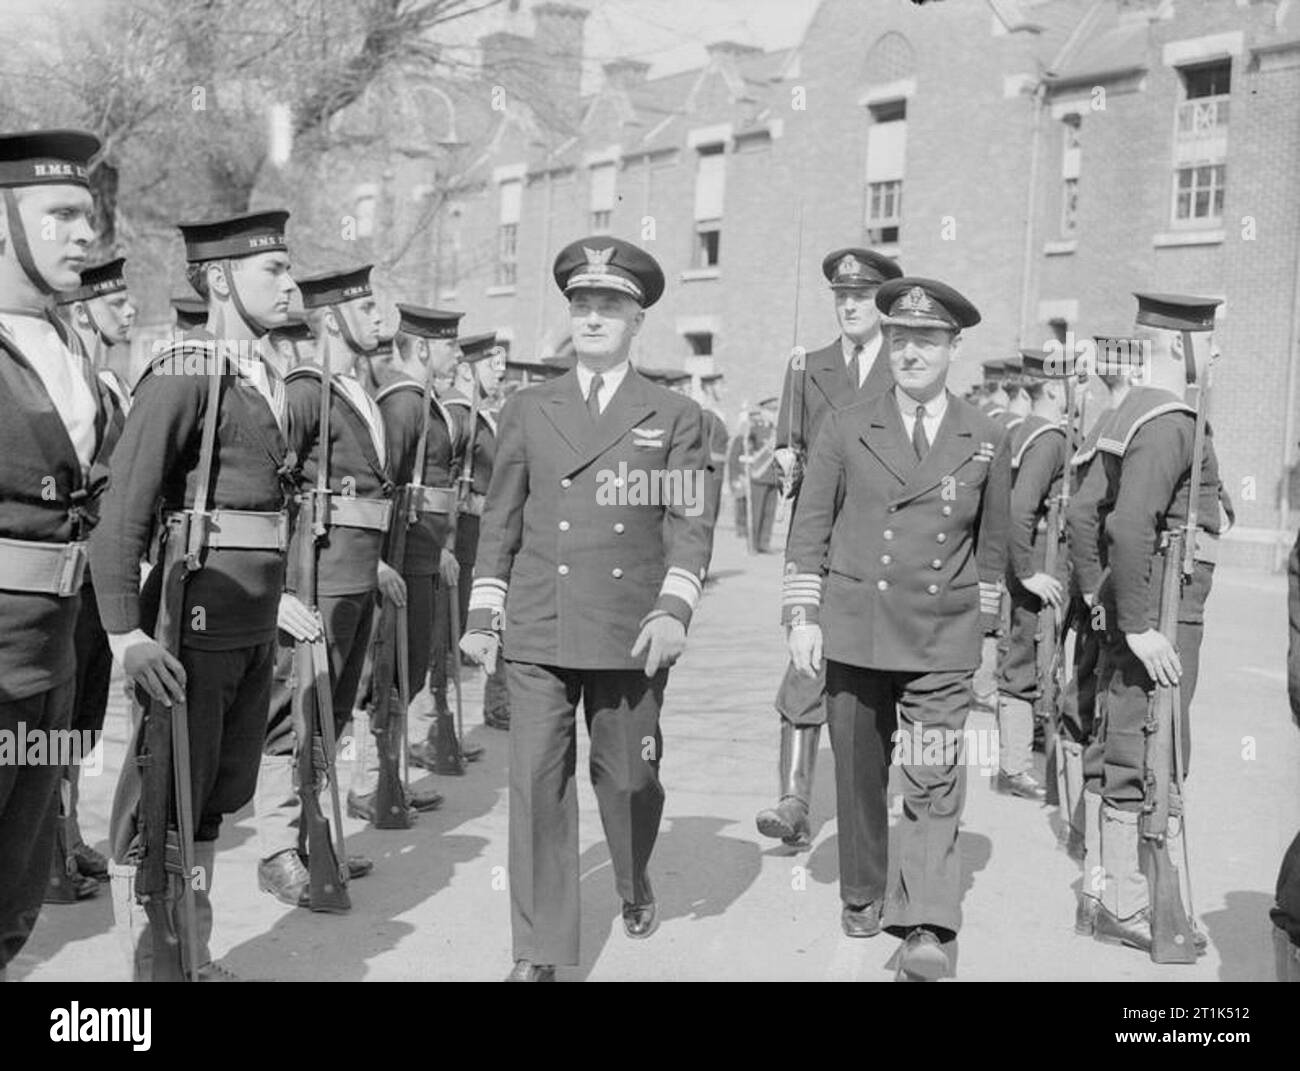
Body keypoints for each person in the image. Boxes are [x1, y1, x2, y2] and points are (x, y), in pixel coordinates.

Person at [460, 236, 714, 982]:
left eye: (610, 305)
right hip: (540, 624)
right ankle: (540, 952)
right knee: (537, 787)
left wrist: (673, 610)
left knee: (628, 779)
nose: (594, 316)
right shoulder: (529, 409)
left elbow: (690, 525)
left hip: (631, 630)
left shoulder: (674, 414)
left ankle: (632, 877)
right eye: (582, 304)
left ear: (639, 320)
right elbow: (500, 517)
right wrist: (485, 612)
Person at [90, 209, 306, 981]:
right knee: (159, 807)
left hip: (248, 628)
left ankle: (192, 949)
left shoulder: (270, 379)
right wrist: (125, 636)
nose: (291, 282)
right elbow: (121, 514)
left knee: (210, 801)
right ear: (218, 280)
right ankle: (153, 970)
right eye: (271, 270)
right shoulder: (184, 369)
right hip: (188, 625)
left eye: (289, 267)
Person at [783, 277, 1009, 980]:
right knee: (859, 772)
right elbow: (810, 527)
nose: (912, 353)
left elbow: (994, 545)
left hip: (941, 636)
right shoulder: (846, 425)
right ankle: (862, 890)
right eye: (902, 338)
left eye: (928, 340)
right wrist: (802, 614)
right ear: (888, 342)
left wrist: (989, 640)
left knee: (936, 775)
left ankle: (925, 926)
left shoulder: (985, 435)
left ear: (954, 347)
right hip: (855, 628)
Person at [255, 266, 438, 908]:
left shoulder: (363, 390)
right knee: (294, 712)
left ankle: (315, 834)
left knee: (329, 716)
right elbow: (267, 492)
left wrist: (381, 564)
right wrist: (277, 590)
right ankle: (278, 848)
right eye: (365, 307)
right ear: (331, 318)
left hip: (355, 579)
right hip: (315, 581)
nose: (379, 318)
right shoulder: (306, 391)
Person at [1079, 292, 1226, 957]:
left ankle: (1113, 894)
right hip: (1164, 615)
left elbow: (1088, 515)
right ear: (1176, 346)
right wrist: (1137, 625)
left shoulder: (1133, 412)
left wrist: (1109, 605)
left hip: (1155, 608)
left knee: (1140, 745)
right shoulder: (1169, 421)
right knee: (1149, 752)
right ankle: (1124, 904)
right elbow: (1126, 523)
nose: (1215, 351)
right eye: (1208, 339)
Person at [0, 129, 104, 979]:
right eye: (60, 214)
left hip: (53, 656)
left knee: (14, 890)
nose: (84, 234)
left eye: (89, 215)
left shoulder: (71, 348)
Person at [757, 246, 903, 849]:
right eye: (841, 297)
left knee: (873, 671)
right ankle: (794, 799)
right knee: (804, 657)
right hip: (818, 538)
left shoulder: (905, 364)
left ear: (884, 305)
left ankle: (868, 800)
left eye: (862, 297)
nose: (849, 306)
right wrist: (786, 458)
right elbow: (788, 442)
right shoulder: (807, 365)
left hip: (882, 542)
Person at [48, 256, 136, 902]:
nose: (129, 311)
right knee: (49, 719)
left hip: (94, 573)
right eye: (116, 302)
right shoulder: (63, 376)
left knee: (82, 716)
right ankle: (46, 852)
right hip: (62, 569)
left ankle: (69, 834)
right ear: (82, 310)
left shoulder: (108, 385)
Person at [356, 304, 466, 803]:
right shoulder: (401, 404)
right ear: (422, 347)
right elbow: (382, 485)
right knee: (384, 675)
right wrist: (377, 561)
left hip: (422, 556)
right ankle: (367, 781)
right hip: (398, 560)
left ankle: (391, 775)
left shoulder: (427, 400)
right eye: (449, 345)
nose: (457, 354)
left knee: (411, 670)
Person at [421, 332, 509, 739]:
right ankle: (434, 729)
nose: (502, 371)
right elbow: (446, 483)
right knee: (443, 639)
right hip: (455, 538)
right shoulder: (455, 414)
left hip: (476, 540)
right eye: (493, 364)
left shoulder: (481, 413)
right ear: (468, 368)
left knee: (461, 636)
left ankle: (444, 729)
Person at [993, 353, 1067, 799]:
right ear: (1056, 389)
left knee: (1025, 659)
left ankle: (1015, 762)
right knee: (1028, 663)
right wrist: (1028, 572)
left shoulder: (1020, 430)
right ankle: (1014, 768)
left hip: (1031, 563)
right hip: (1041, 566)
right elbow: (1020, 510)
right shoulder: (1049, 439)